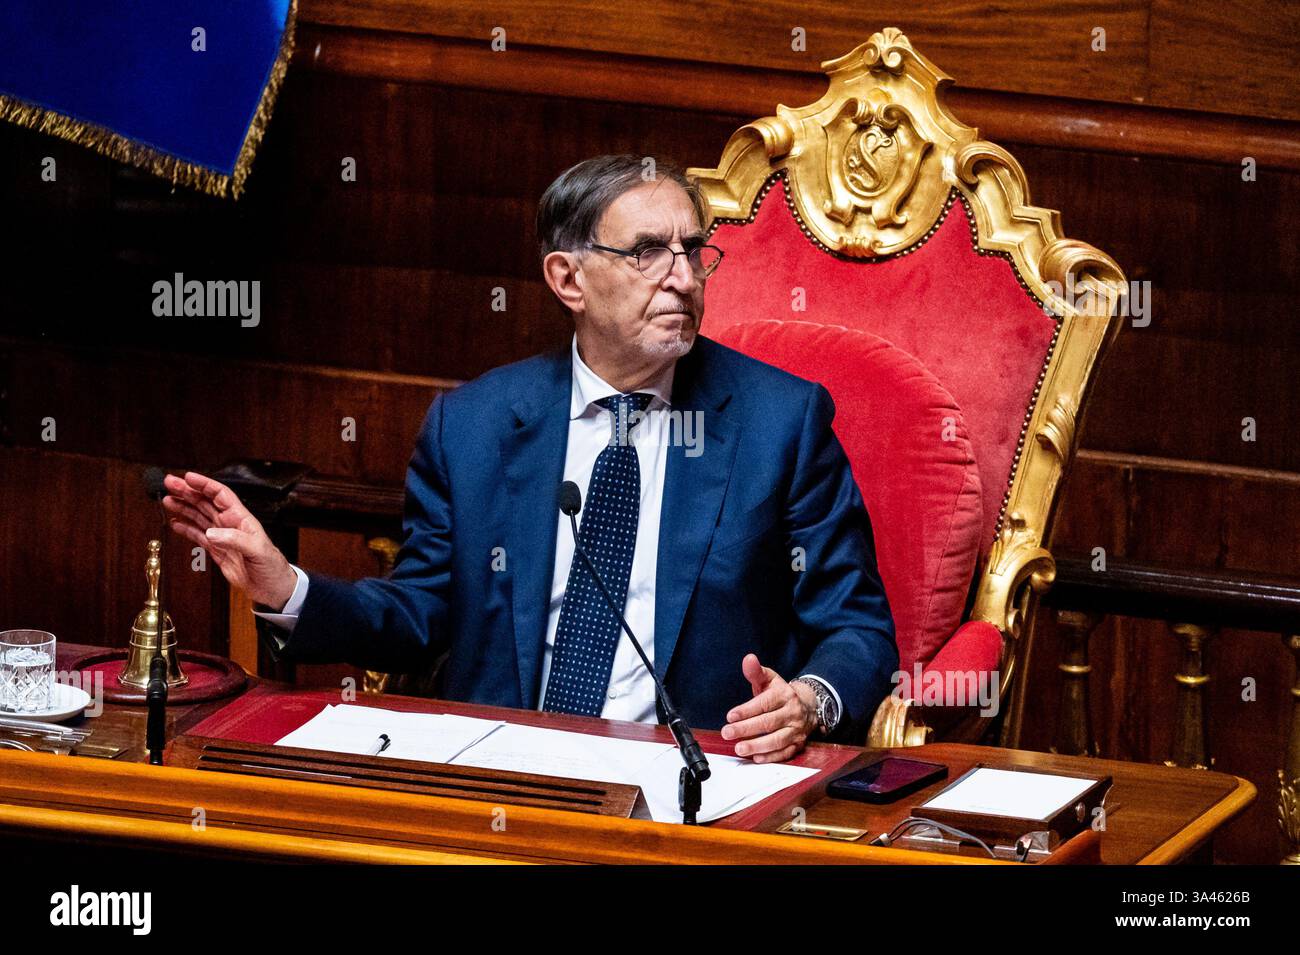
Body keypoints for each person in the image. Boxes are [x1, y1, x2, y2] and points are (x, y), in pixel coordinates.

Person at [164, 154, 896, 763]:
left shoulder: (781, 421)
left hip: (695, 772)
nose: (683, 276)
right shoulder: (474, 424)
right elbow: (422, 612)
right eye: (647, 252)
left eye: (693, 250)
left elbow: (858, 629)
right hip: (503, 772)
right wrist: (286, 585)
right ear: (567, 278)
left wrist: (807, 700)